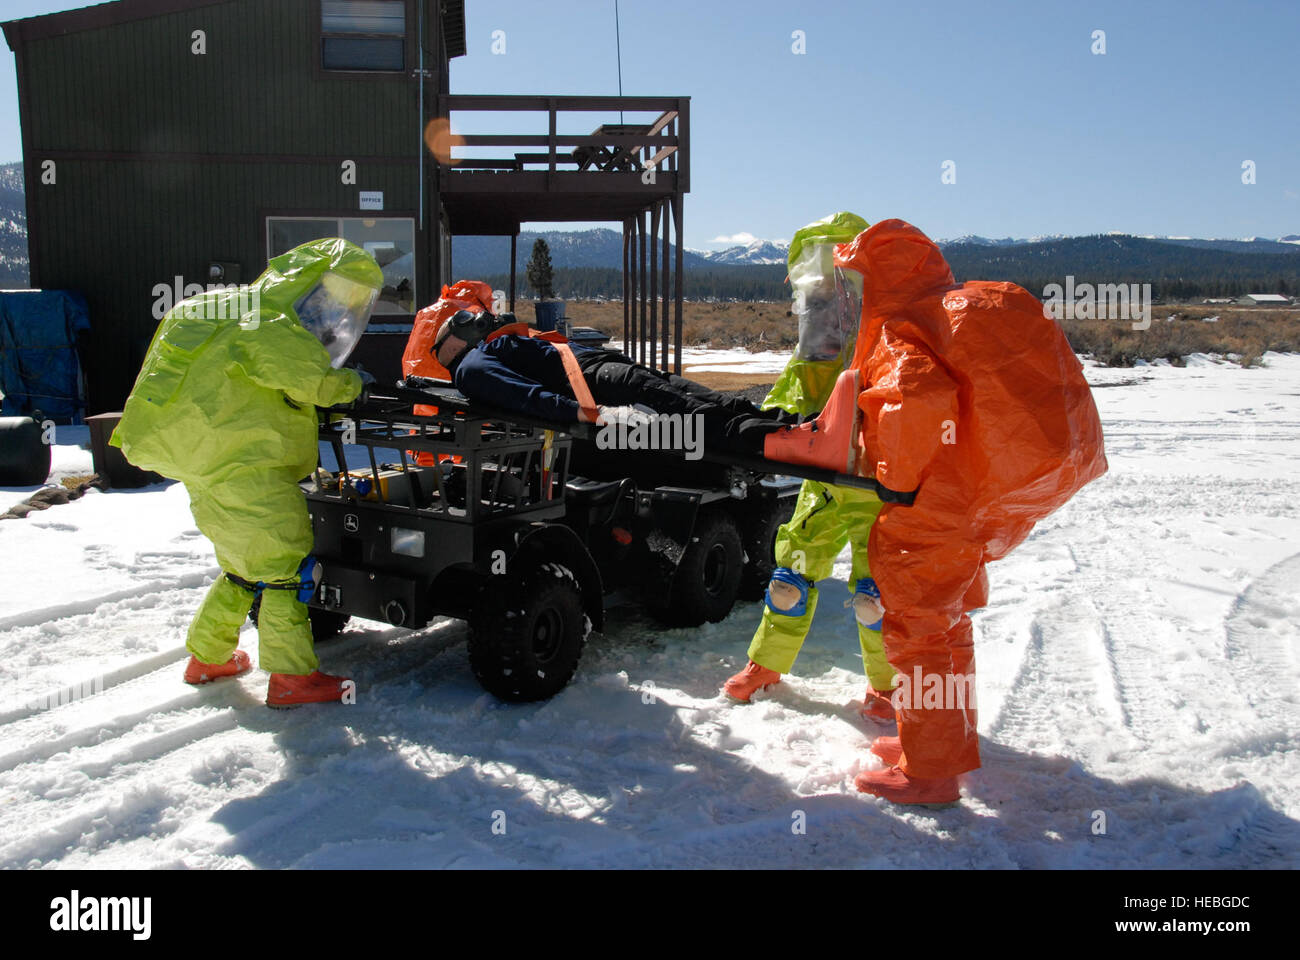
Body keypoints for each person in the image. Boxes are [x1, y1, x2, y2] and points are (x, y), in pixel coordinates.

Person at [765, 219, 1108, 805]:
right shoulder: (944, 315)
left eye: (855, 278)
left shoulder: (902, 331)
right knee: (947, 628)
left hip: (927, 506)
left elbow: (917, 403)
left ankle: (929, 774)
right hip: (964, 499)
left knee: (917, 634)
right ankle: (938, 744)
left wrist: (888, 476)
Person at [111, 238, 384, 707]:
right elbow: (314, 383)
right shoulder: (270, 322)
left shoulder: (208, 306)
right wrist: (354, 385)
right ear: (310, 286)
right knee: (284, 568)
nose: (332, 313)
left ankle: (208, 656)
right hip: (245, 461)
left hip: (196, 458)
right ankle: (292, 678)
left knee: (242, 565)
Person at [722, 213, 899, 722]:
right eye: (816, 294)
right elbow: (788, 400)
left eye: (836, 290)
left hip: (875, 484)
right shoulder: (812, 355)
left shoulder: (891, 343)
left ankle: (888, 686)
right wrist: (759, 434)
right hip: (822, 484)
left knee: (873, 596)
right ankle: (765, 665)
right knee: (790, 579)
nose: (825, 305)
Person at [404, 292, 794, 456]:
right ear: (448, 346)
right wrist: (598, 414)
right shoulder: (470, 368)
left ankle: (790, 426)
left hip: (609, 370)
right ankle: (781, 441)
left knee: (708, 400)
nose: (474, 321)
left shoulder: (487, 352)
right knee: (699, 418)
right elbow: (531, 399)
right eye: (463, 321)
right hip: (601, 382)